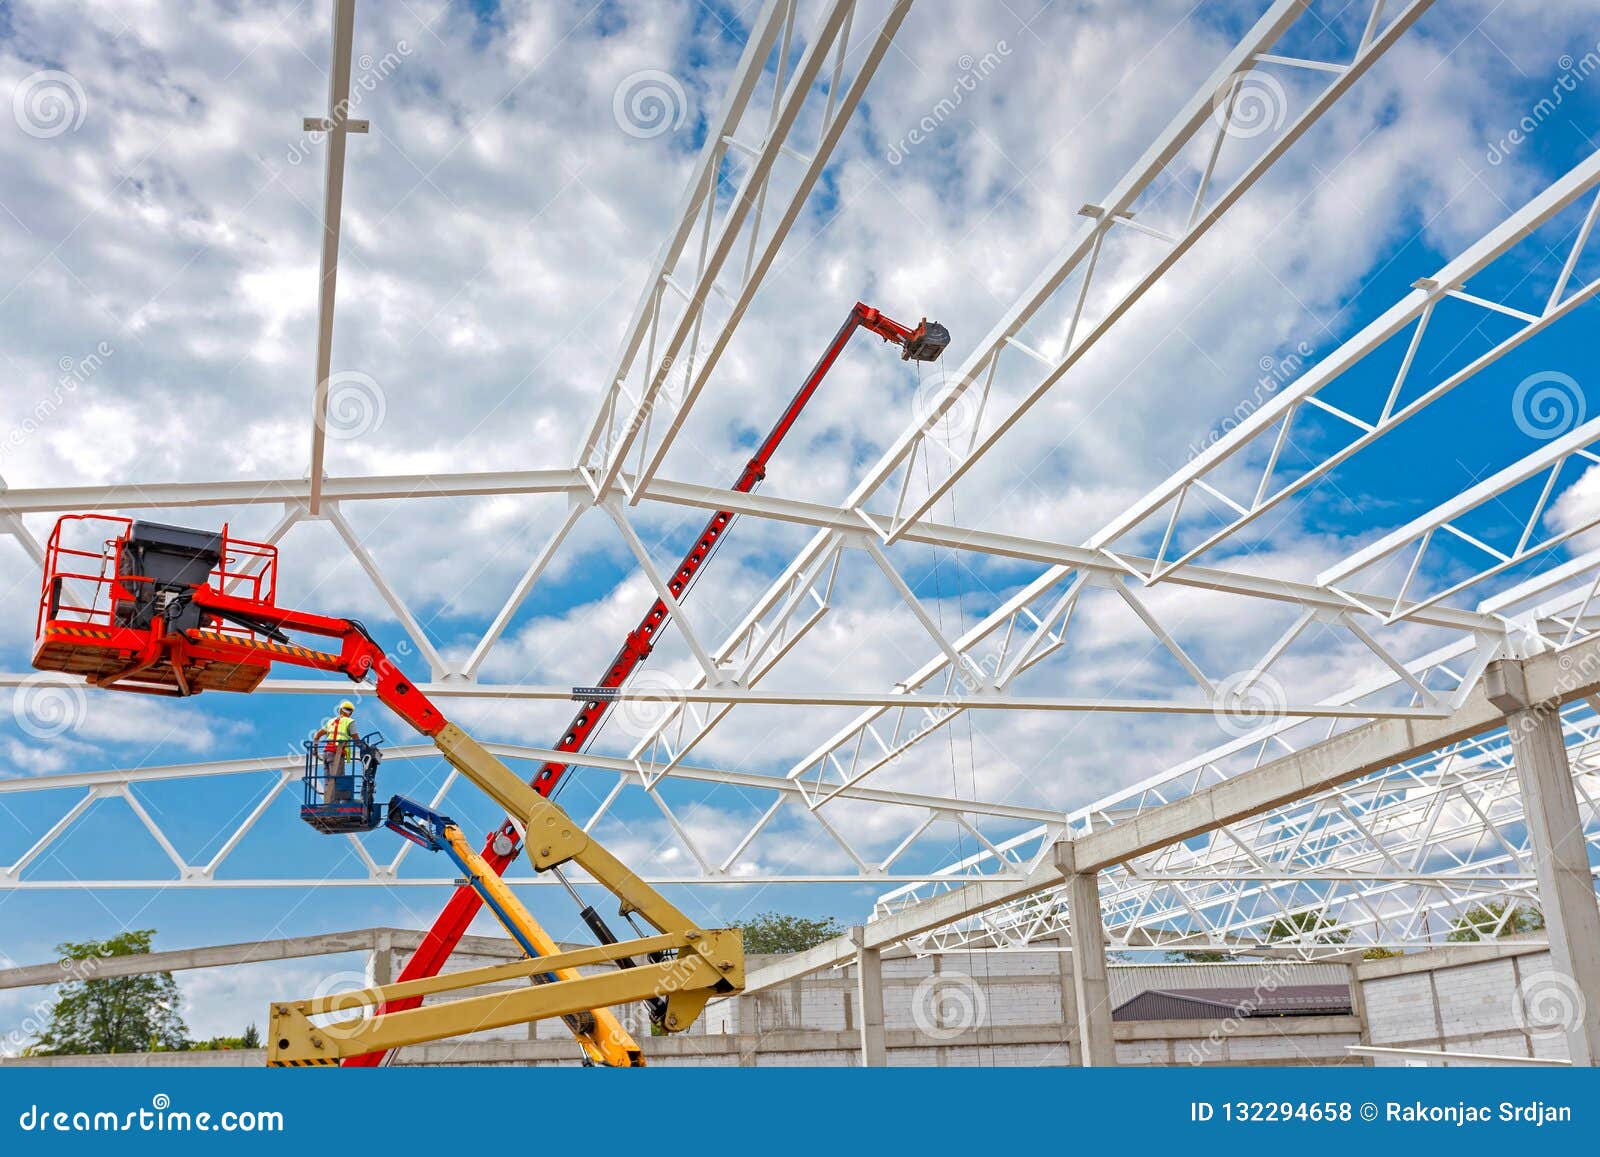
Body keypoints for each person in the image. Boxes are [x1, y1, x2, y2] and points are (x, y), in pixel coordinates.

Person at [315, 700, 359, 804]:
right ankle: (335, 804)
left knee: (328, 781)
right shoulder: (350, 722)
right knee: (337, 780)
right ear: (351, 712)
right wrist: (365, 748)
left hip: (326, 753)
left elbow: (317, 735)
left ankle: (328, 803)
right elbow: (357, 740)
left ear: (340, 710)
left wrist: (315, 750)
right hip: (336, 754)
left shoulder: (330, 721)